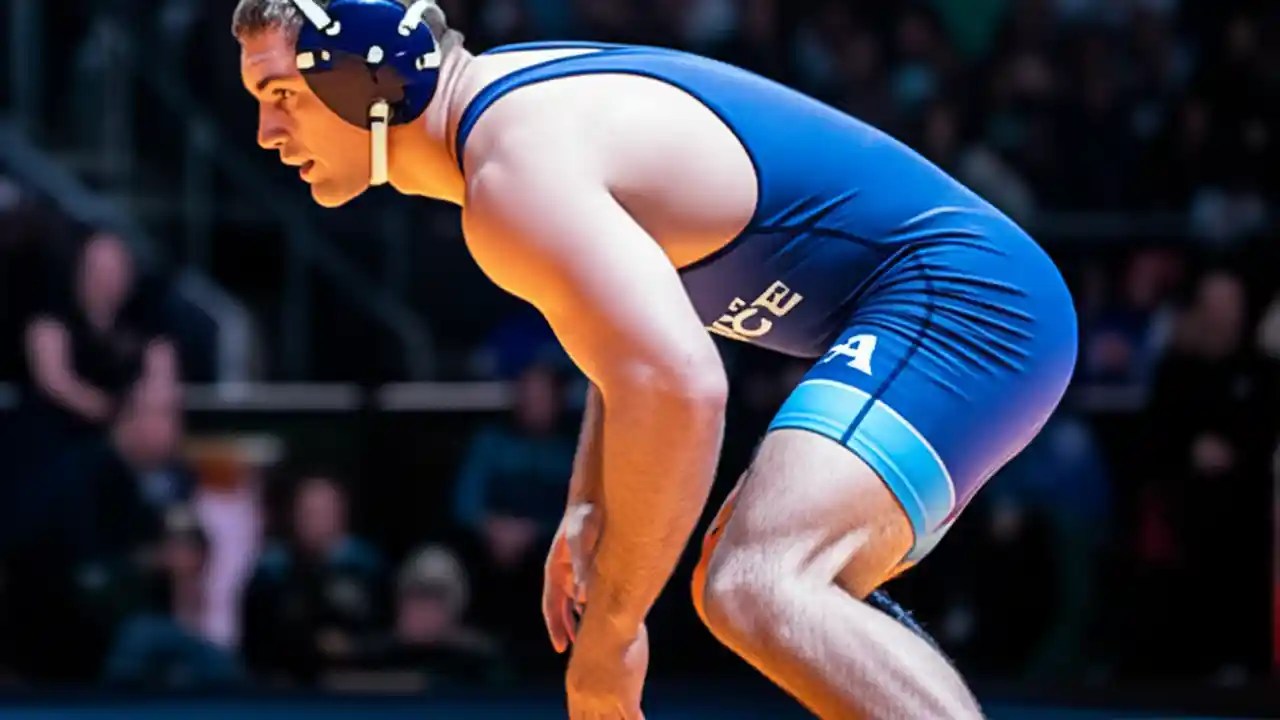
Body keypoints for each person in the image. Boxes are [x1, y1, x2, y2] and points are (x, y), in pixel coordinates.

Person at [231, 1, 1079, 717]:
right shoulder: (509, 106)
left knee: (758, 579)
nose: (267, 131)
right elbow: (635, 341)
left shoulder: (510, 175)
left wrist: (611, 638)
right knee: (765, 586)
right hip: (950, 295)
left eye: (281, 94)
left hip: (963, 299)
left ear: (365, 80)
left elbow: (679, 386)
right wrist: (589, 498)